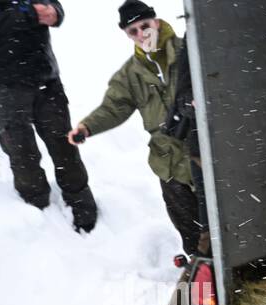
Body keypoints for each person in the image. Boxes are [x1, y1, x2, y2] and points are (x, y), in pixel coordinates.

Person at [68, 1, 199, 259]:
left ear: (157, 23)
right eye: (133, 31)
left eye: (145, 26)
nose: (141, 35)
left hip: (202, 154)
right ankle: (201, 271)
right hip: (169, 165)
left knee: (219, 224)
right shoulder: (131, 74)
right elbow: (114, 107)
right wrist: (87, 126)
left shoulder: (190, 51)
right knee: (191, 234)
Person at [0, 0, 96, 230]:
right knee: (23, 155)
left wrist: (54, 13)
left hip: (45, 77)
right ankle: (38, 214)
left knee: (64, 145)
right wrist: (22, 15)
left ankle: (83, 208)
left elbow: (52, 5)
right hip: (2, 84)